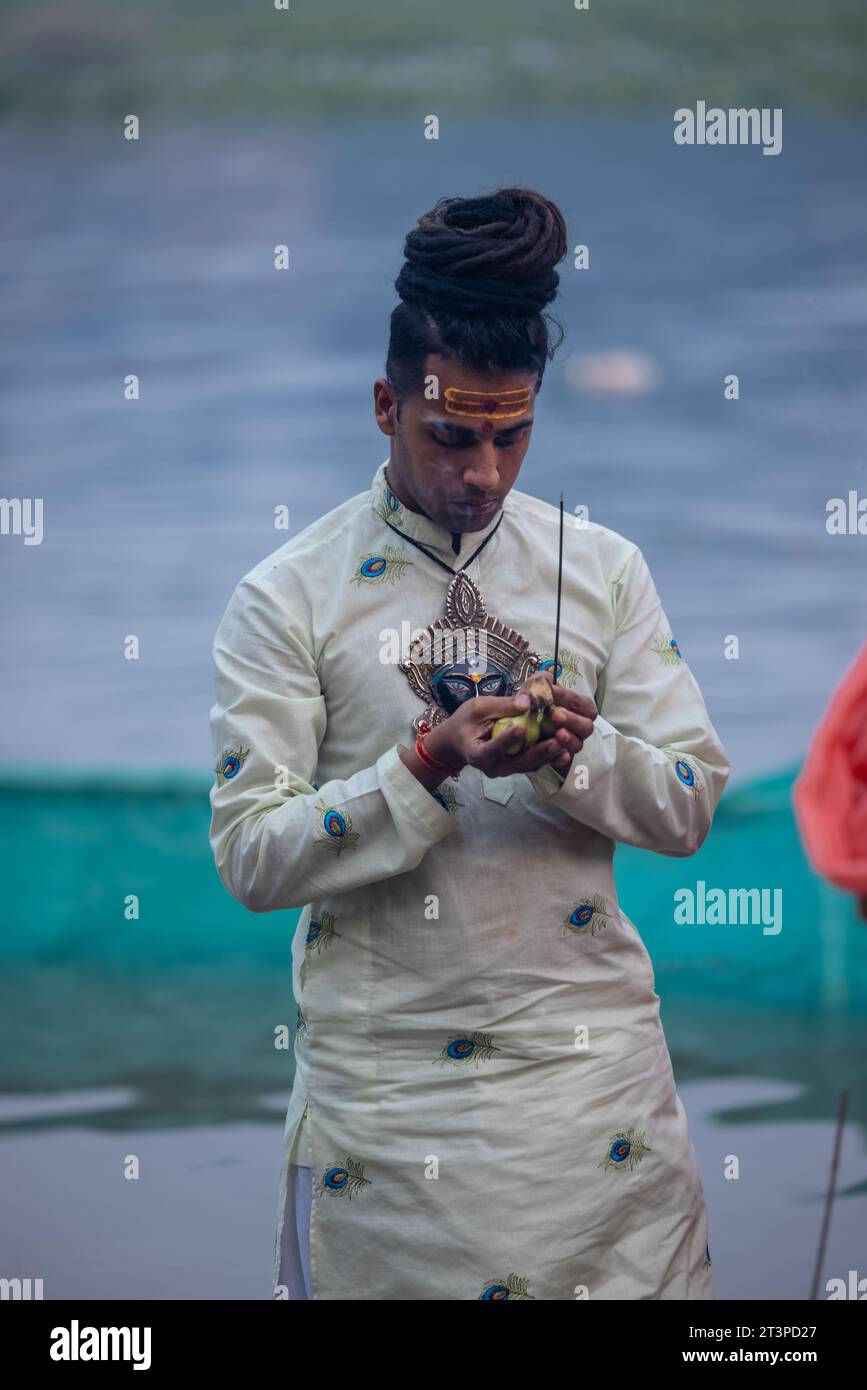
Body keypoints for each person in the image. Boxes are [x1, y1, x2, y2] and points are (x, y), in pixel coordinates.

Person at [208, 187, 731, 1301]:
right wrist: (425, 765)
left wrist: (573, 756)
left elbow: (688, 801)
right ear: (387, 404)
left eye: (513, 434)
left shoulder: (603, 570)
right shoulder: (284, 597)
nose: (484, 472)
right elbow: (252, 857)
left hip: (595, 1101)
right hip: (388, 1120)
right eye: (451, 435)